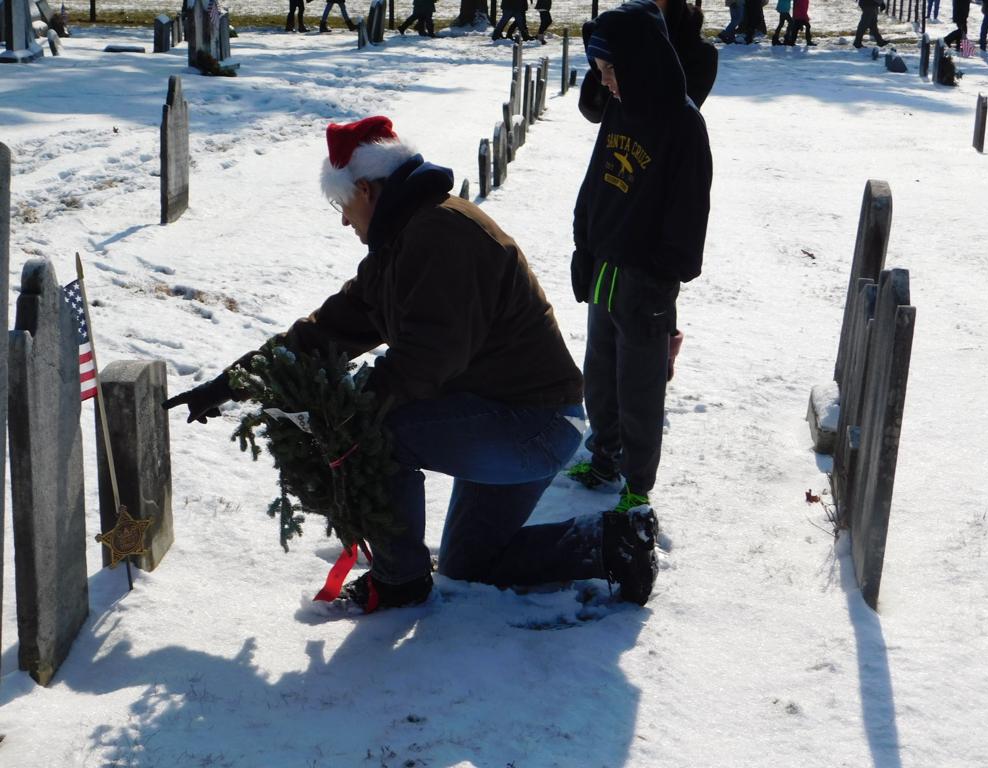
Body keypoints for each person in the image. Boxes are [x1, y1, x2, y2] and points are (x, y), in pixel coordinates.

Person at [164, 116, 660, 612]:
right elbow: (326, 332)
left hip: (531, 423)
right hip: (508, 415)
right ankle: (615, 543)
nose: (343, 220)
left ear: (366, 189)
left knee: (375, 429)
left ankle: (398, 581)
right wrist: (234, 382)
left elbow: (428, 358)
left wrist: (350, 410)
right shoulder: (404, 240)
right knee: (470, 565)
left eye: (342, 205)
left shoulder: (441, 234)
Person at [568, 1, 712, 518]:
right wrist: (584, 247)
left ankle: (637, 481)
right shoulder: (618, 110)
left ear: (636, 63)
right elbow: (595, 186)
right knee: (601, 373)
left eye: (609, 71)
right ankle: (603, 456)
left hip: (646, 281)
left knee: (641, 385)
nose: (604, 82)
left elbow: (690, 210)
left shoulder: (682, 125)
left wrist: (663, 273)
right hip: (606, 266)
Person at [579, 0, 718, 118]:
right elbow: (596, 108)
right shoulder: (622, 29)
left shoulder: (700, 52)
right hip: (619, 143)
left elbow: (674, 118)